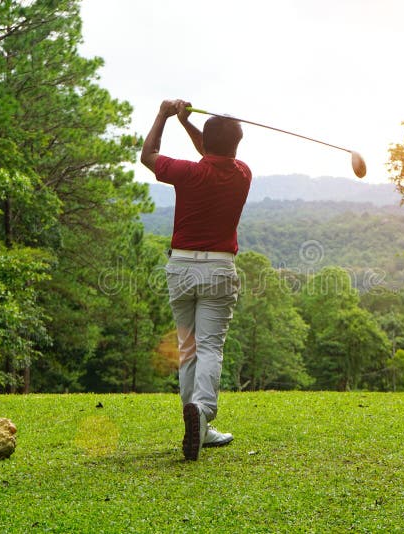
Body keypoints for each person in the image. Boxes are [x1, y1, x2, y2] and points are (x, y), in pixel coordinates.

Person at [141, 99, 251, 461]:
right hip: (219, 268)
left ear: (207, 141)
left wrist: (166, 115)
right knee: (210, 348)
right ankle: (201, 415)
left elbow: (149, 155)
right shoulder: (242, 174)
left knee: (188, 347)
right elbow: (212, 150)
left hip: (181, 267)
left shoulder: (187, 172)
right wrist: (191, 125)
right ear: (236, 145)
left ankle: (197, 420)